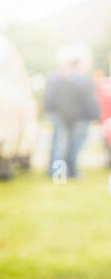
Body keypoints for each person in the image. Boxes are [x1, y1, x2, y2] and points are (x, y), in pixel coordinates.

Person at [48, 45, 100, 179]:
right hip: (67, 117)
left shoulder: (75, 78)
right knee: (61, 146)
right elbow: (62, 100)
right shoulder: (65, 79)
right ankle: (59, 174)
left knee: (67, 146)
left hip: (72, 117)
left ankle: (67, 172)